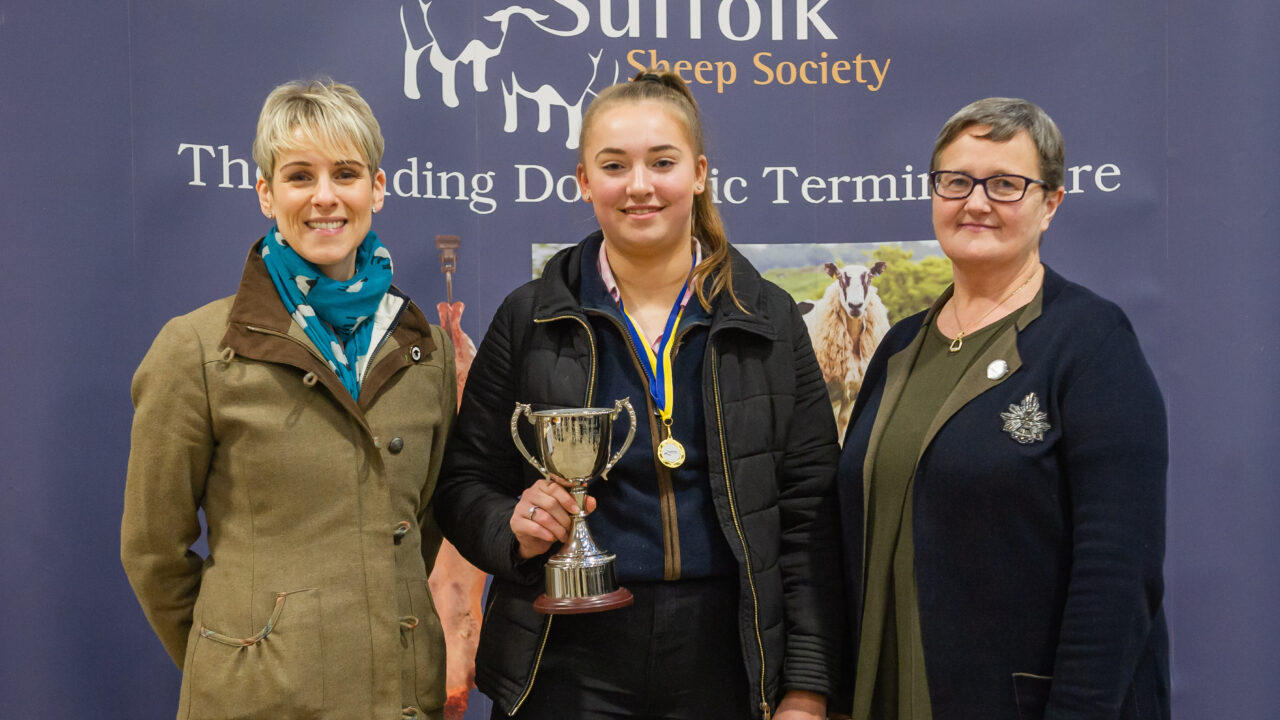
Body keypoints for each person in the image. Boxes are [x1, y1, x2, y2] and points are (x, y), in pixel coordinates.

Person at [434, 69, 843, 720]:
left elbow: (810, 513)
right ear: (583, 181)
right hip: (565, 655)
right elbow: (463, 484)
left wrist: (806, 683)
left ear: (700, 172)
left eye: (662, 162)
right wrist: (511, 527)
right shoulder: (529, 317)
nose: (640, 185)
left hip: (728, 656)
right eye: (615, 165)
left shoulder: (767, 318)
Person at [121, 79, 456, 720]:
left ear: (377, 190)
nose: (324, 197)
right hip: (258, 702)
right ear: (266, 193)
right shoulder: (195, 348)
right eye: (300, 175)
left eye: (346, 174)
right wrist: (240, 657)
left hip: (403, 697)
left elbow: (425, 525)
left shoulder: (427, 350)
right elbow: (151, 550)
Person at [835, 97, 1169, 719]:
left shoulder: (1092, 342)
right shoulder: (900, 346)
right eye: (956, 181)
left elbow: (1119, 575)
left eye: (1006, 185)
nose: (976, 201)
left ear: (1051, 204)